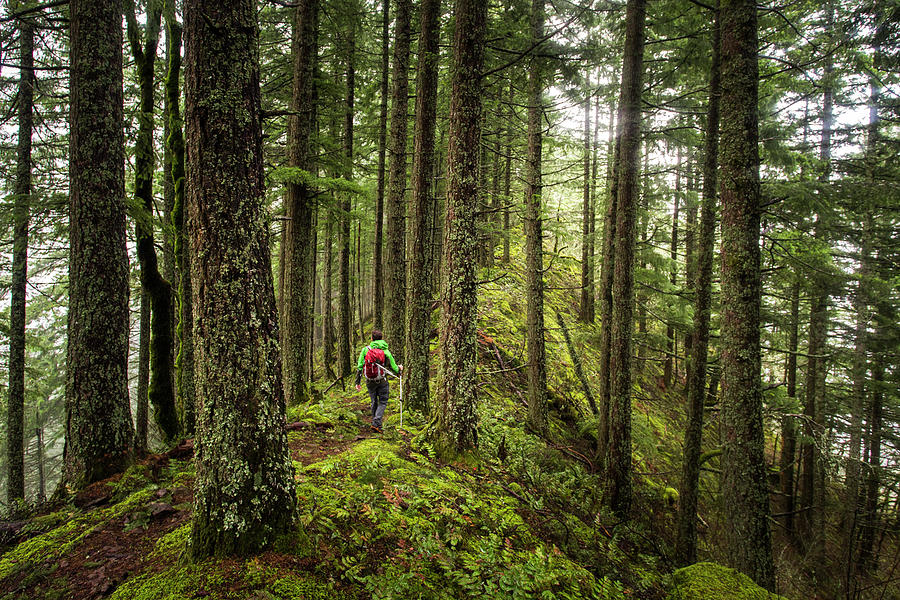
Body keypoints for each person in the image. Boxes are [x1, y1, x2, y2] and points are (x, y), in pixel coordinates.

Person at [355, 329, 401, 432]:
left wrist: (357, 382)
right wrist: (399, 369)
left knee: (374, 401)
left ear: (371, 339)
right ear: (381, 339)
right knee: (383, 402)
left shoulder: (365, 350)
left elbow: (360, 366)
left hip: (370, 380)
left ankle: (375, 422)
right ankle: (376, 423)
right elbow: (394, 366)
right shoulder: (385, 351)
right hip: (382, 380)